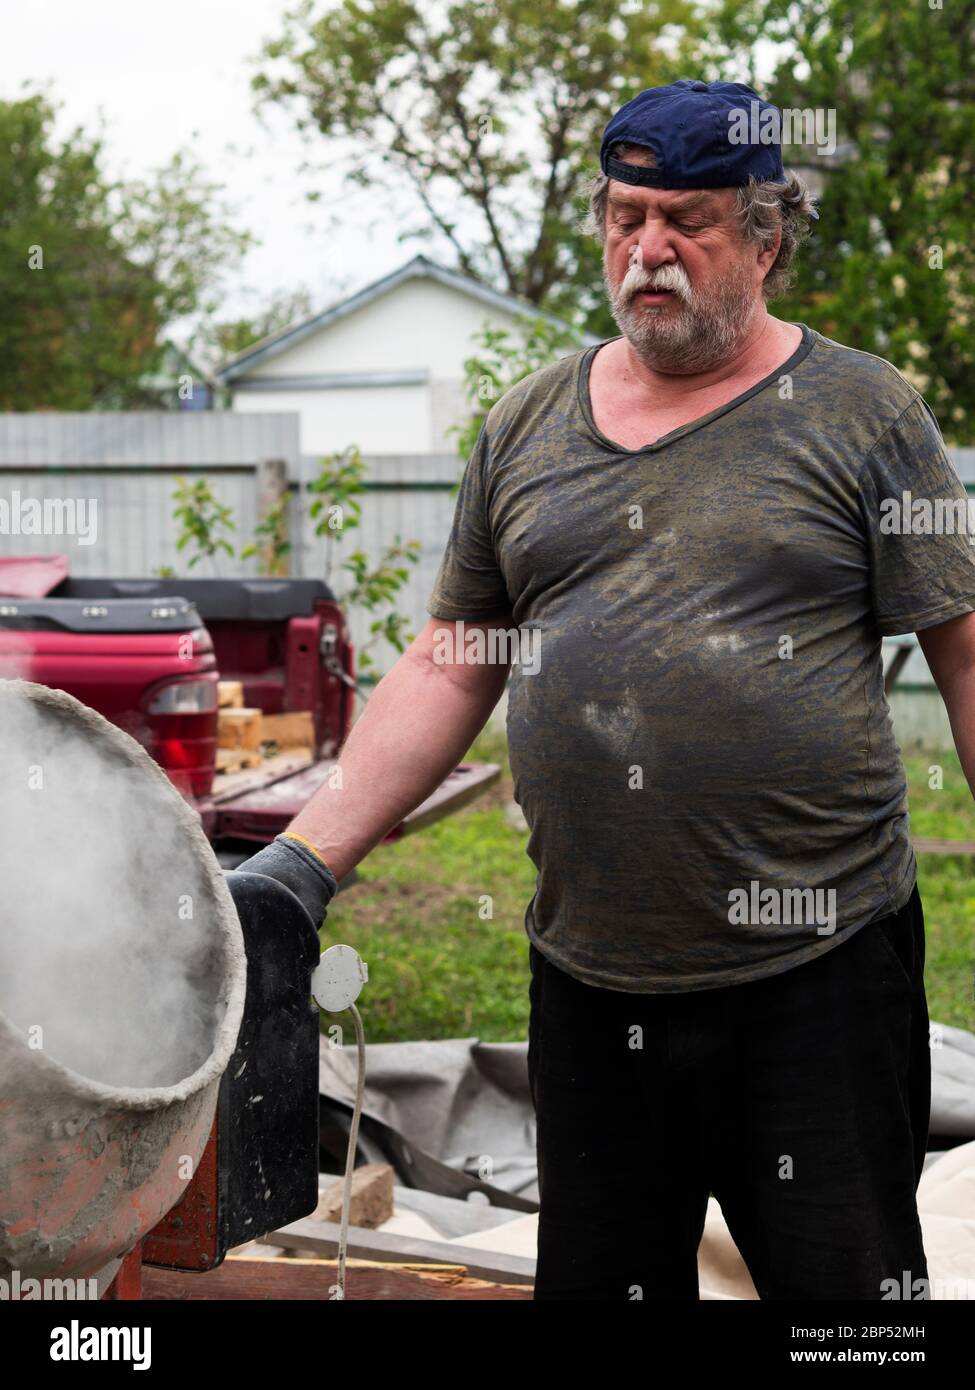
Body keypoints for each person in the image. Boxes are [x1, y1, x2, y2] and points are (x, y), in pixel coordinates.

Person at [242, 79, 975, 1300]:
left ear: (767, 234)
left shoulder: (865, 411)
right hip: (593, 980)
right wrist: (301, 864)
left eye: (687, 220)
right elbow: (451, 652)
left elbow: (963, 649)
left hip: (819, 976)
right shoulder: (526, 423)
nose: (650, 250)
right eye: (626, 215)